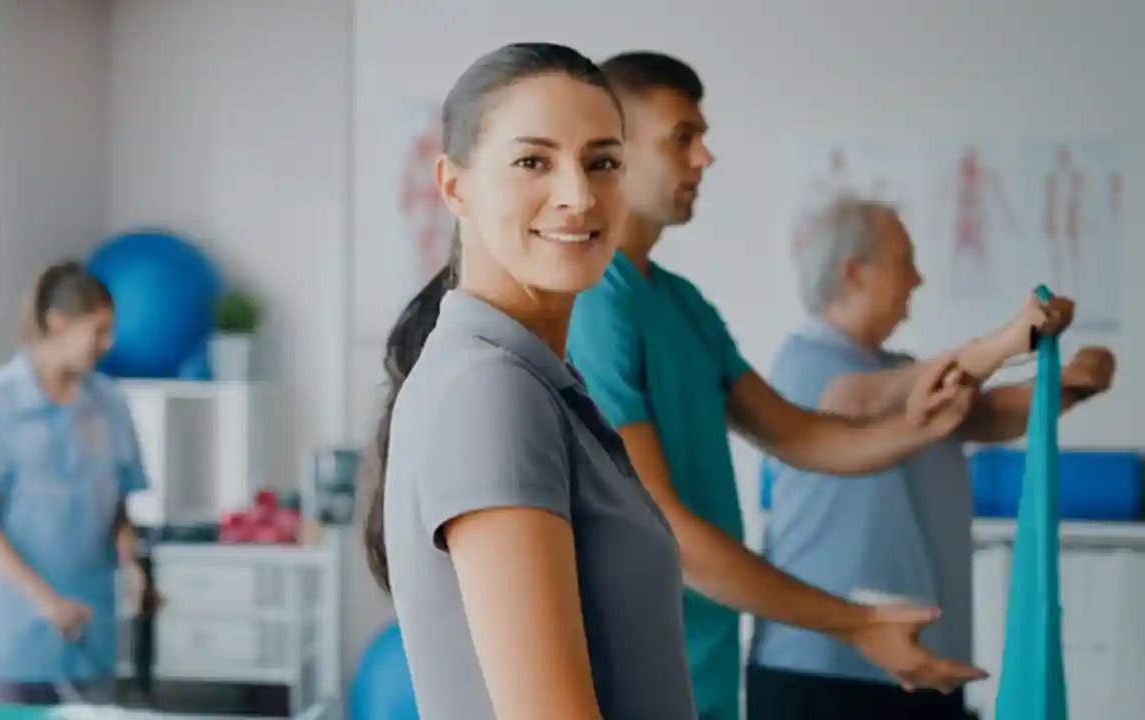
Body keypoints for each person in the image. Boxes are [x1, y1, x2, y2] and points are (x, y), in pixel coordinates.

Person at [364, 43, 980, 720]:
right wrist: (855, 624)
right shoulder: (491, 392)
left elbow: (797, 432)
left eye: (602, 162)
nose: (577, 194)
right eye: (532, 161)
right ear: (454, 185)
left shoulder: (544, 381)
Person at [565, 51, 1000, 720]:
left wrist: (925, 424)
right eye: (684, 137)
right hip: (629, 673)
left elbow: (797, 433)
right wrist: (854, 623)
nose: (704, 158)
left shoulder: (682, 303)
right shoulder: (598, 302)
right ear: (612, 149)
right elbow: (664, 532)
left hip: (703, 666)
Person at [747, 197, 1115, 719]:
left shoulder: (898, 367)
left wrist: (1069, 386)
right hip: (823, 672)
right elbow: (859, 402)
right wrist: (1007, 342)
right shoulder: (804, 362)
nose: (918, 280)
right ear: (854, 272)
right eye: (904, 263)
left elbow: (981, 415)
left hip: (916, 668)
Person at [0, 261, 158, 705]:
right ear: (57, 322)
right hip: (12, 635)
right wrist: (44, 600)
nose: (108, 344)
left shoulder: (109, 405)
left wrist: (134, 568)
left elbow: (117, 508)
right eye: (98, 331)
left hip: (90, 630)